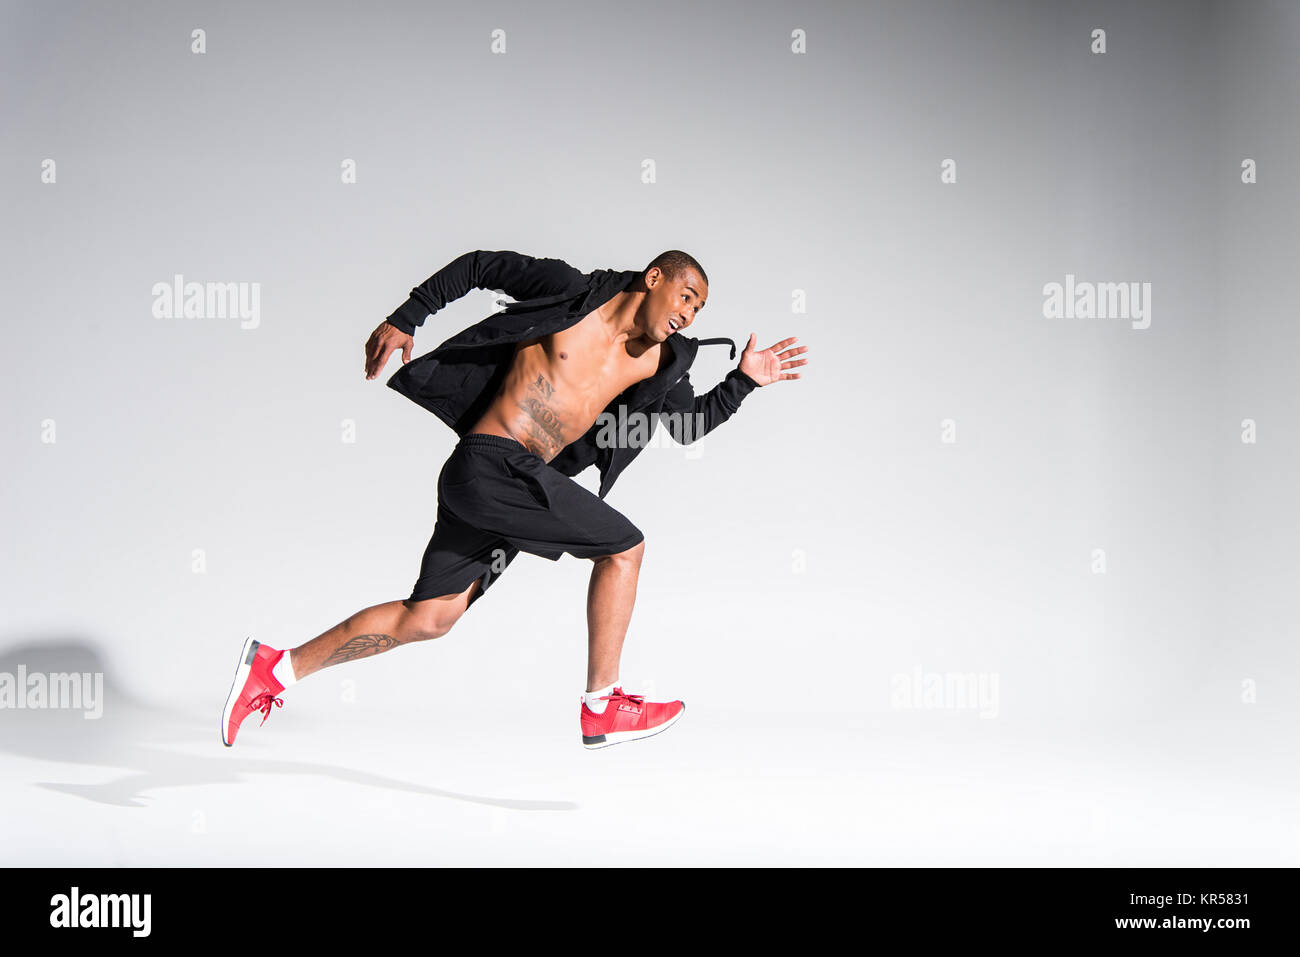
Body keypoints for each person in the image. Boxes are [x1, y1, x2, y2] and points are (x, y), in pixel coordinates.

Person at [221, 249, 806, 750]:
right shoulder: (570, 292)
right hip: (489, 462)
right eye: (686, 295)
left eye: (699, 309)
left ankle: (277, 667)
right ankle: (602, 703)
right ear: (654, 278)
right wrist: (407, 316)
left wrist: (745, 381)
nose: (687, 313)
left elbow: (690, 426)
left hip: (506, 487)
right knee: (625, 548)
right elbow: (480, 265)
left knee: (428, 618)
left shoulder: (661, 364)